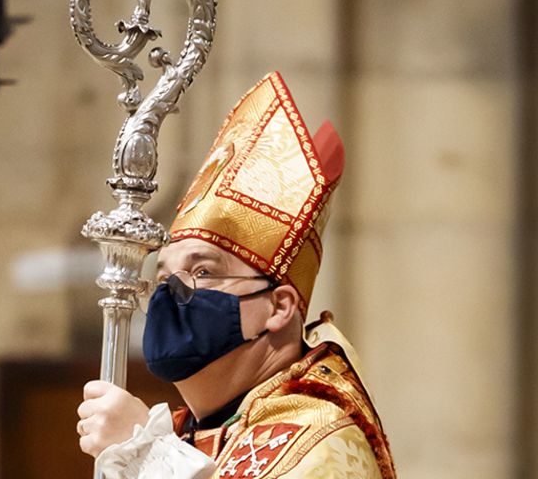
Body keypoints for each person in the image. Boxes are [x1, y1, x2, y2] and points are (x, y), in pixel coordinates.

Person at [76, 72, 397, 478]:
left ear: (279, 306)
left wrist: (143, 455)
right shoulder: (184, 434)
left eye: (203, 271)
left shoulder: (320, 439)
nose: (170, 292)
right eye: (162, 277)